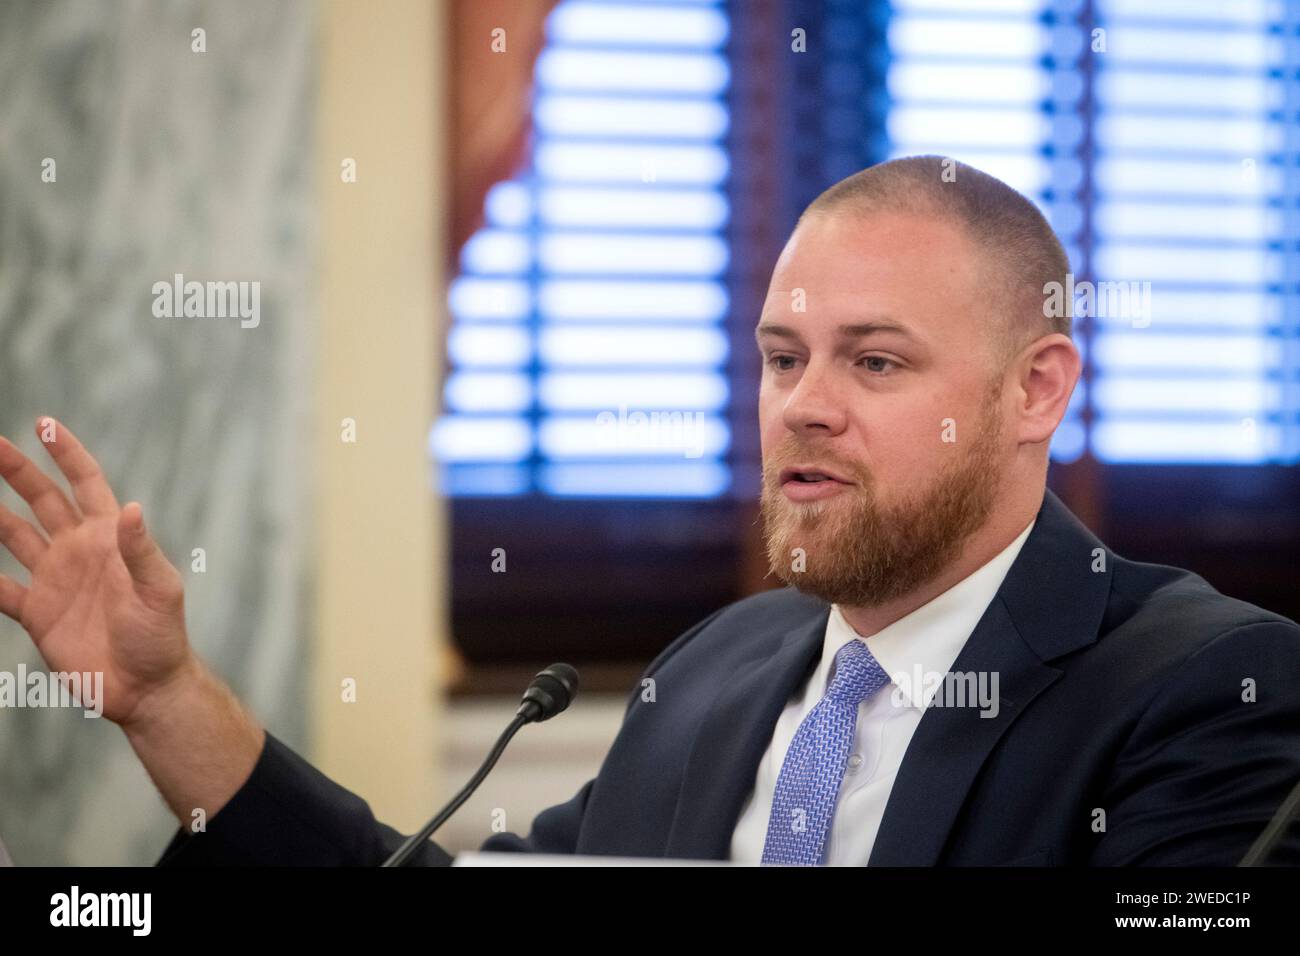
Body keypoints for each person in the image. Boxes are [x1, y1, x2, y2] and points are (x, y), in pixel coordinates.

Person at [2, 156, 1298, 866]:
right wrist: (174, 704)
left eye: (877, 361)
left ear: (1035, 391)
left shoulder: (1207, 684)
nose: (804, 406)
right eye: (782, 358)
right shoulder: (716, 669)